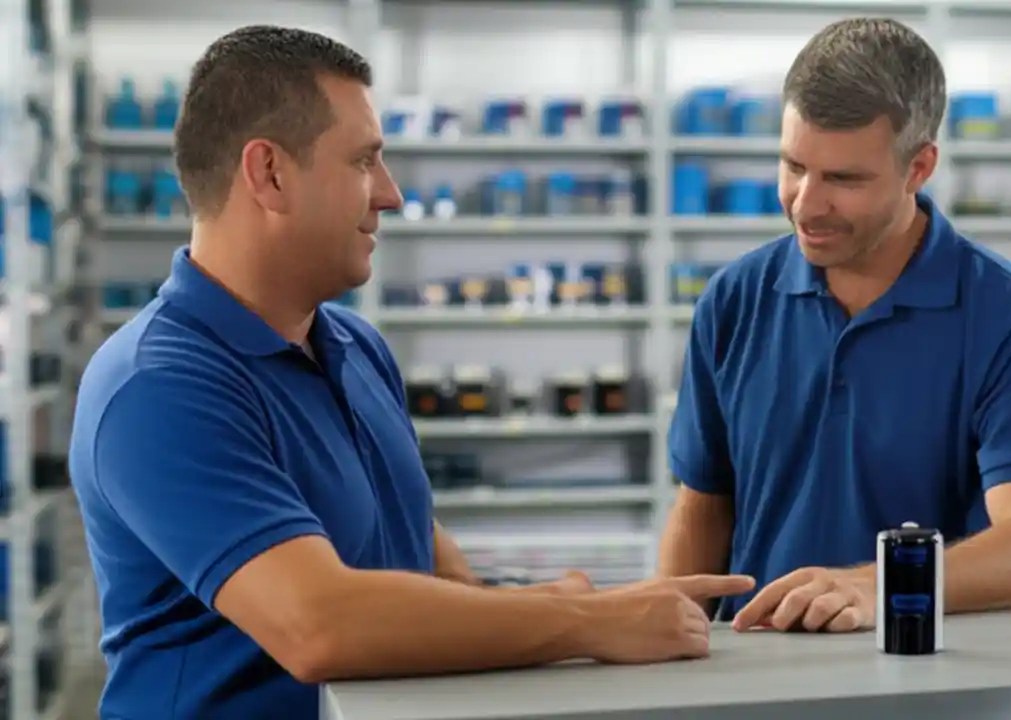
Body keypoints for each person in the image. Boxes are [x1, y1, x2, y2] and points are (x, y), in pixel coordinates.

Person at [69, 25, 753, 720]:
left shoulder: (355, 348)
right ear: (269, 173)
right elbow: (316, 625)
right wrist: (586, 622)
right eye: (364, 161)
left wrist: (560, 603)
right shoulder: (156, 386)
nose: (391, 194)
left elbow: (426, 564)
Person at [657, 17, 1011, 633]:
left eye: (844, 179)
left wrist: (875, 585)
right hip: (754, 665)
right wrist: (666, 639)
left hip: (932, 663)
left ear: (919, 167)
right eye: (794, 166)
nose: (806, 204)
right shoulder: (733, 301)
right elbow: (703, 507)